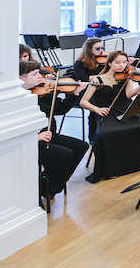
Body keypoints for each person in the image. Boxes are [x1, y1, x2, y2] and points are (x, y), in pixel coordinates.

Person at [18, 62, 90, 207]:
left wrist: (75, 94)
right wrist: (35, 137)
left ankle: (50, 186)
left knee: (81, 146)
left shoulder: (42, 92)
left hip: (49, 136)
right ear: (21, 78)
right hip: (30, 142)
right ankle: (44, 187)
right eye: (34, 74)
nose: (40, 76)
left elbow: (60, 109)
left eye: (39, 73)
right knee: (64, 155)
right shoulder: (17, 100)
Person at [80, 51, 140, 182]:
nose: (121, 65)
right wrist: (97, 109)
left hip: (125, 110)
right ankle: (112, 169)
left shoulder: (127, 77)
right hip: (105, 112)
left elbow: (129, 95)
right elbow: (83, 101)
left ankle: (139, 163)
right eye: (117, 62)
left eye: (124, 62)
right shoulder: (98, 80)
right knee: (105, 134)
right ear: (110, 62)